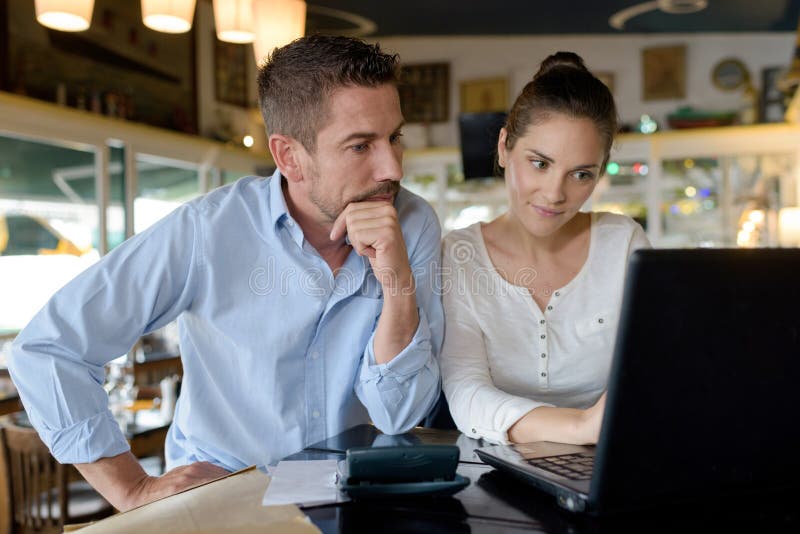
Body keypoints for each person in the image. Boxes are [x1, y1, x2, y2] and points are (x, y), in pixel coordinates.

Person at [9, 35, 443, 511]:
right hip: (222, 503)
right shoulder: (206, 231)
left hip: (354, 501)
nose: (393, 167)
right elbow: (47, 348)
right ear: (288, 157)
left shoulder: (411, 222)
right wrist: (132, 489)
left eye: (394, 137)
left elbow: (400, 413)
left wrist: (397, 281)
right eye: (361, 145)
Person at [440, 52, 649, 446]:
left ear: (600, 173)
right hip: (496, 469)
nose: (555, 194)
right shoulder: (458, 254)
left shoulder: (624, 244)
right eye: (539, 163)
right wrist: (582, 427)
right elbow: (466, 393)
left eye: (581, 174)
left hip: (612, 460)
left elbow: (655, 370)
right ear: (504, 147)